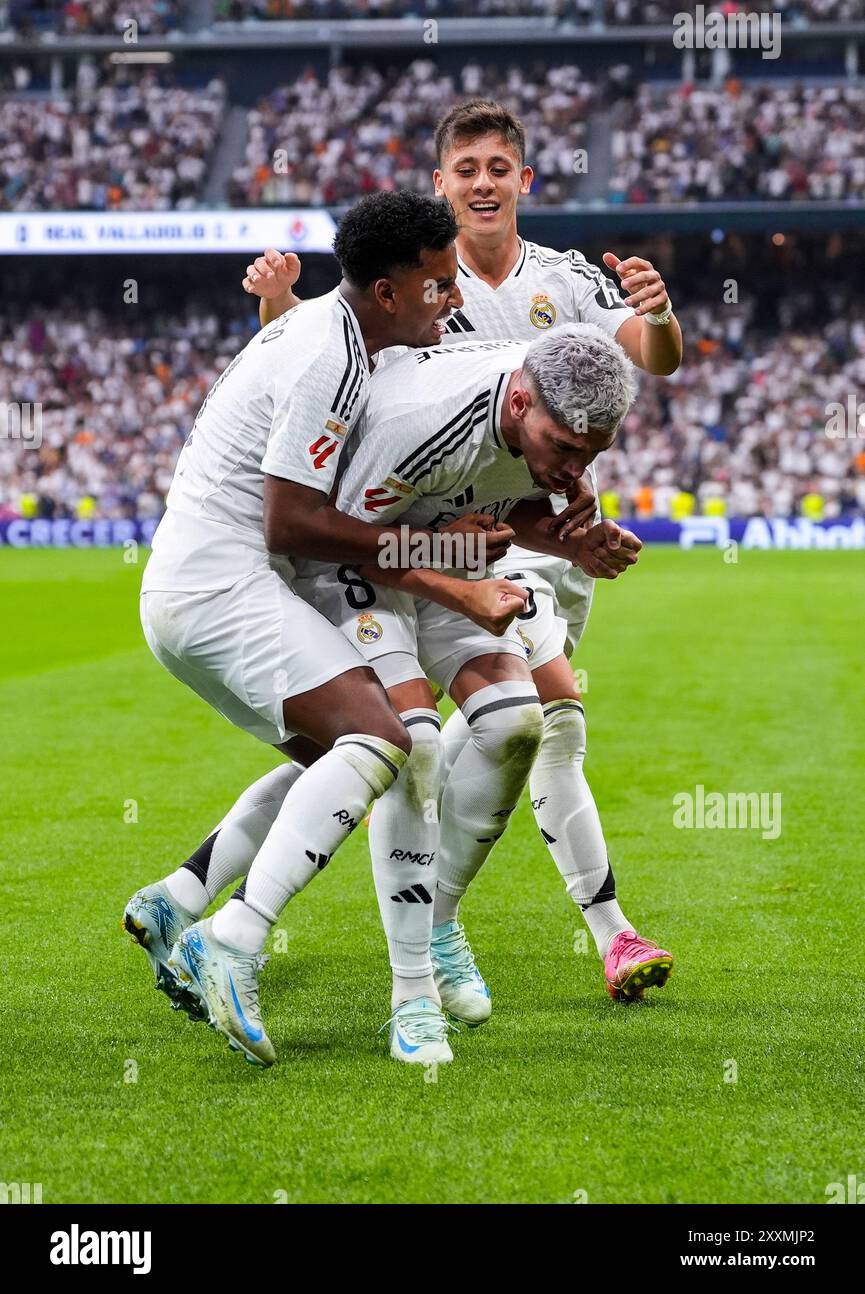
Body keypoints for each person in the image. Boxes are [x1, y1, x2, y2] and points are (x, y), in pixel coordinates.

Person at [241, 99, 682, 1006]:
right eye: (465, 169)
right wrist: (278, 308)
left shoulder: (561, 281)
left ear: (524, 180)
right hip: (445, 539)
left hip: (541, 537)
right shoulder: (424, 281)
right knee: (534, 719)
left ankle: (200, 888)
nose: (483, 183)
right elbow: (332, 378)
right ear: (440, 185)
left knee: (379, 743)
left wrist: (661, 315)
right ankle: (567, 931)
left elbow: (653, 357)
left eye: (498, 168)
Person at [122, 190, 526, 1067]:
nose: (451, 297)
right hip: (224, 584)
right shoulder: (331, 358)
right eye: (437, 284)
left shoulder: (328, 334)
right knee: (381, 741)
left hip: (192, 586)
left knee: (332, 769)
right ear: (387, 292)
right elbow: (292, 523)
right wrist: (438, 553)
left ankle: (178, 898)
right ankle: (229, 943)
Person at [295, 324, 641, 1062]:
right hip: (354, 561)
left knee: (519, 725)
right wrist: (457, 573)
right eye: (566, 448)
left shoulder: (537, 432)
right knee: (413, 747)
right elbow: (345, 539)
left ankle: (437, 920)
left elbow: (498, 508)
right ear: (519, 401)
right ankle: (410, 993)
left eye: (593, 452)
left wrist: (568, 540)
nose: (578, 469)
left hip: (439, 549)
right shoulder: (418, 423)